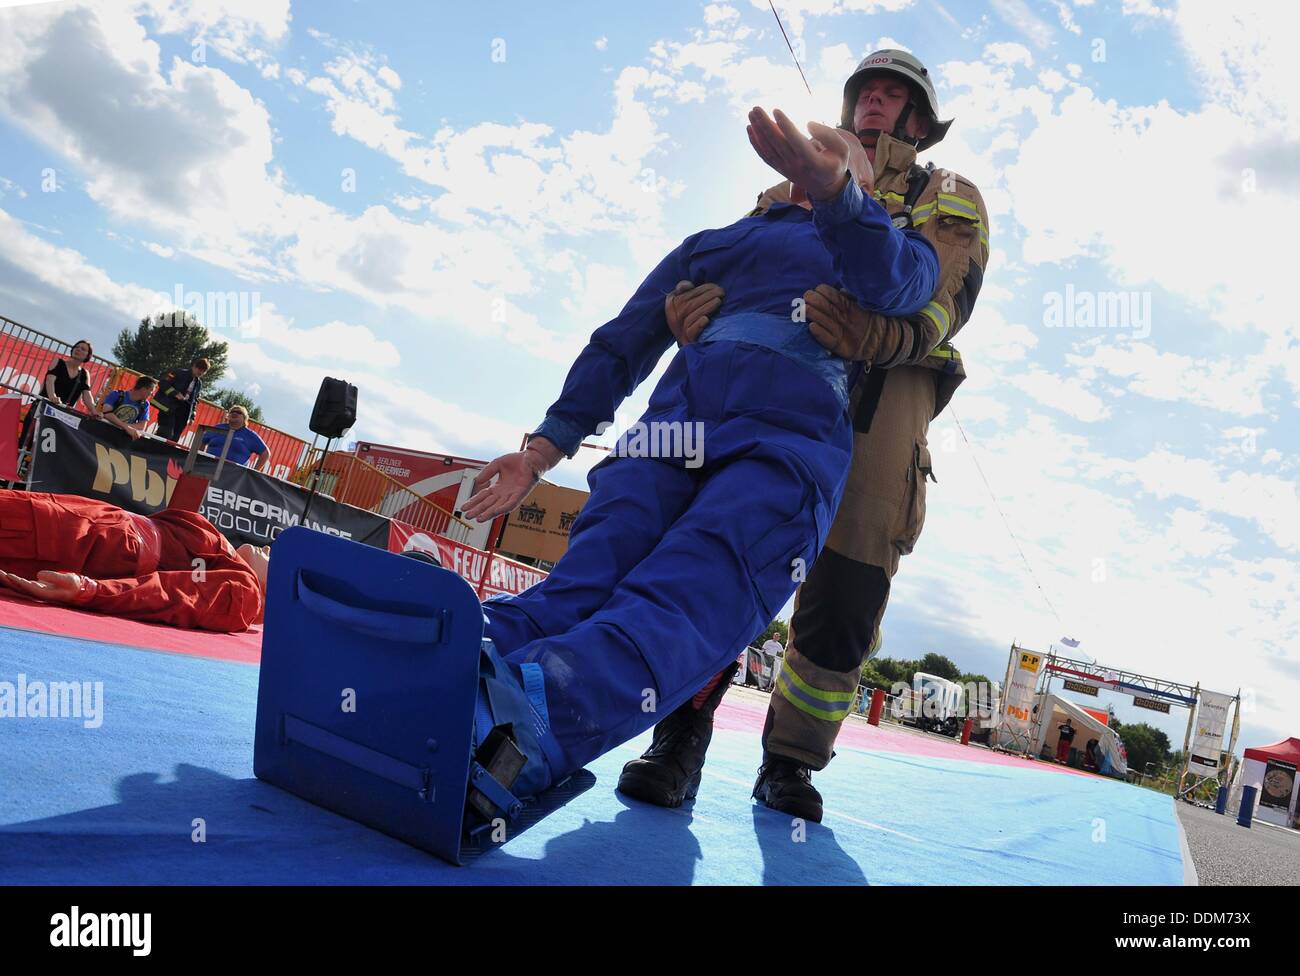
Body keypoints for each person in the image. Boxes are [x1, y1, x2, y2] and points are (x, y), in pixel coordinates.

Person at [457, 105, 940, 803]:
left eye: (849, 157)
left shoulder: (890, 245)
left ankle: (522, 727)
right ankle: (453, 652)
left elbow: (899, 283)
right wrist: (539, 451)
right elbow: (623, 341)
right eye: (826, 151)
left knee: (690, 590)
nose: (836, 153)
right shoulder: (714, 244)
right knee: (588, 576)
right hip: (674, 428)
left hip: (784, 440)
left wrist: (845, 202)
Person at [617, 49, 990, 821]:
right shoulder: (795, 173)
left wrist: (873, 338)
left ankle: (790, 763)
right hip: (783, 383)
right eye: (870, 92)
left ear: (919, 120)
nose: (879, 104)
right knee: (729, 547)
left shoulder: (947, 195)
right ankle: (678, 735)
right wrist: (690, 311)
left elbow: (943, 300)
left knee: (848, 584)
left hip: (885, 402)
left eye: (897, 96)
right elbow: (739, 264)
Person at [0, 489, 267, 631]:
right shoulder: (226, 560)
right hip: (93, 523)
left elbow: (169, 594)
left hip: (91, 541)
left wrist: (90, 590)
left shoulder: (246, 594)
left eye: (277, 558)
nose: (267, 548)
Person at [152, 358, 210, 442]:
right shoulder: (178, 372)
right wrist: (175, 393)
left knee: (175, 437)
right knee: (165, 432)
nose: (200, 372)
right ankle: (149, 449)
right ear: (194, 366)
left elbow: (194, 400)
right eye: (199, 368)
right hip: (169, 408)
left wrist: (192, 416)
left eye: (203, 371)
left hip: (183, 413)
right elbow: (163, 382)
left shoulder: (199, 384)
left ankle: (164, 454)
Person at [201, 405, 268, 469]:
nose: (234, 413)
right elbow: (201, 441)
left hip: (234, 475)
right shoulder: (218, 427)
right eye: (232, 412)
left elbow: (265, 453)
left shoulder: (250, 435)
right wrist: (199, 459)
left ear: (244, 418)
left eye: (239, 412)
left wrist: (253, 473)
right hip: (208, 467)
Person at [43, 340, 98, 414]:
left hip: (61, 415)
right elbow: (49, 381)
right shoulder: (58, 362)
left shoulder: (84, 374)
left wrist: (94, 411)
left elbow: (87, 394)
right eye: (77, 347)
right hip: (43, 407)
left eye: (83, 349)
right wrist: (52, 396)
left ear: (87, 356)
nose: (78, 349)